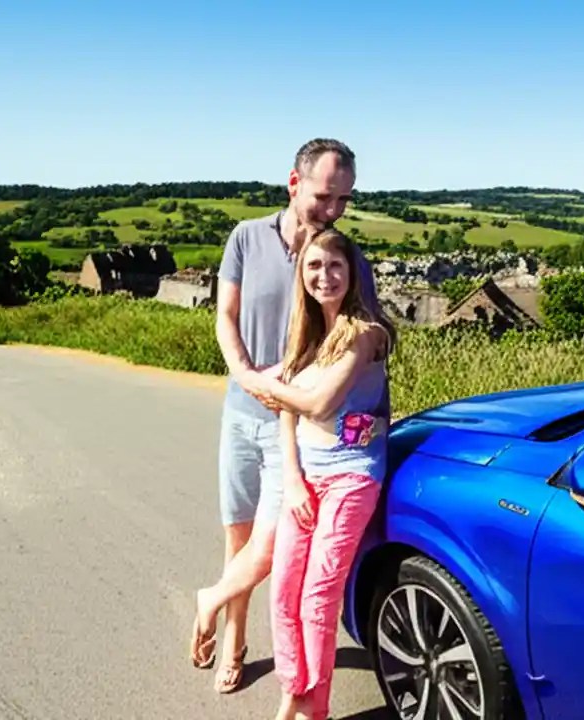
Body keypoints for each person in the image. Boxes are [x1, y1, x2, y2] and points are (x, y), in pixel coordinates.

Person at [189, 138, 385, 695]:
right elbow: (225, 318)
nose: (334, 209)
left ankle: (212, 599)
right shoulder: (246, 238)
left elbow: (362, 335)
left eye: (344, 199)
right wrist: (247, 375)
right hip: (241, 412)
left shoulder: (343, 257)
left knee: (272, 547)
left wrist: (371, 424)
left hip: (300, 429)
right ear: (294, 183)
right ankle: (234, 641)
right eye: (326, 195)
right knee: (239, 534)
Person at [241, 227, 396, 720]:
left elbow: (317, 402)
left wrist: (262, 383)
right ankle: (294, 685)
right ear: (301, 274)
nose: (324, 276)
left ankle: (315, 708)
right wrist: (290, 478)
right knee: (283, 589)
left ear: (352, 274)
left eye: (335, 266)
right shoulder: (305, 336)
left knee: (318, 595)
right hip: (305, 474)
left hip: (352, 476)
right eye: (313, 266)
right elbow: (291, 413)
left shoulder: (366, 333)